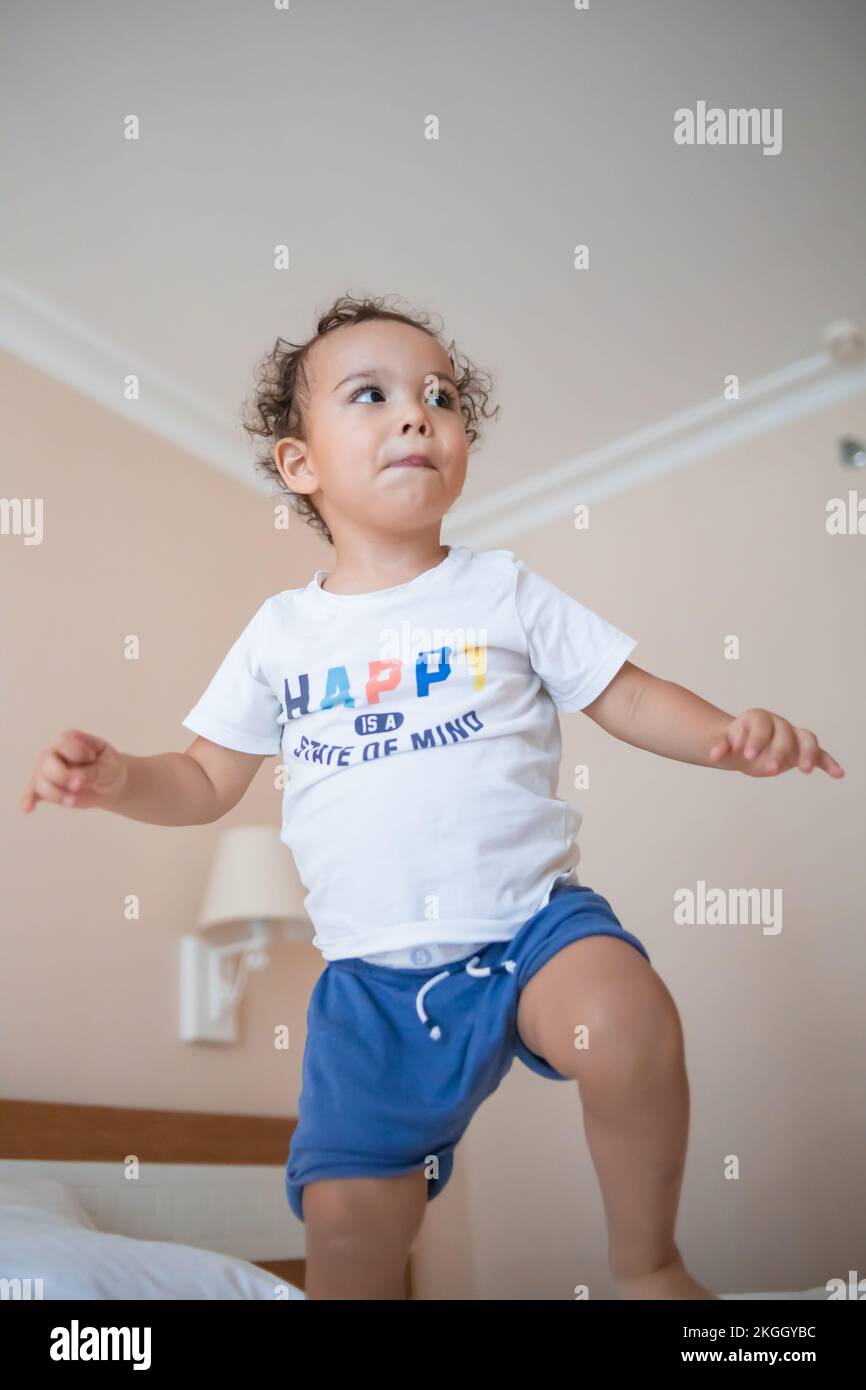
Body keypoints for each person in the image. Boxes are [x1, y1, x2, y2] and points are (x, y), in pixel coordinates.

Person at [21, 293, 845, 1302]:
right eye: (371, 394)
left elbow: (623, 695)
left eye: (440, 396)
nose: (417, 413)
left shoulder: (501, 589)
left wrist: (725, 734)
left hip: (529, 928)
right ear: (301, 465)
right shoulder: (279, 633)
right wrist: (115, 779)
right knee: (349, 1234)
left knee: (625, 1021)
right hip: (369, 985)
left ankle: (647, 1264)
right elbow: (199, 780)